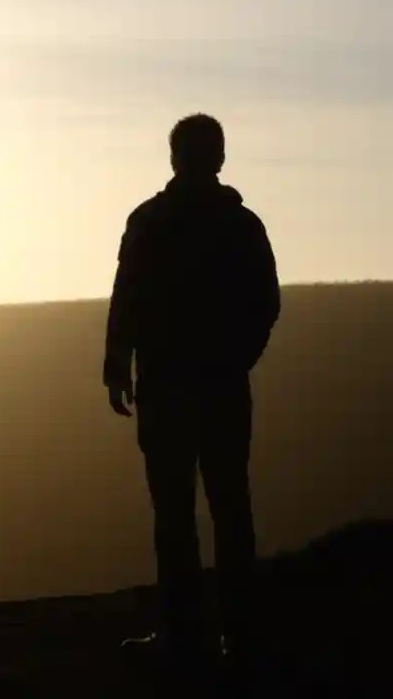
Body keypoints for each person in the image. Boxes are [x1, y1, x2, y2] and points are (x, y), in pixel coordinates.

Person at [103, 114, 280, 677]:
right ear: (219, 157)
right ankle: (242, 636)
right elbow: (265, 303)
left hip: (167, 386)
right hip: (221, 386)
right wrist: (237, 358)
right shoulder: (241, 225)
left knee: (176, 514)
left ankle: (185, 635)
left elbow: (125, 299)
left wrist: (117, 365)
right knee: (230, 509)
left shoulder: (149, 222)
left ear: (174, 157)